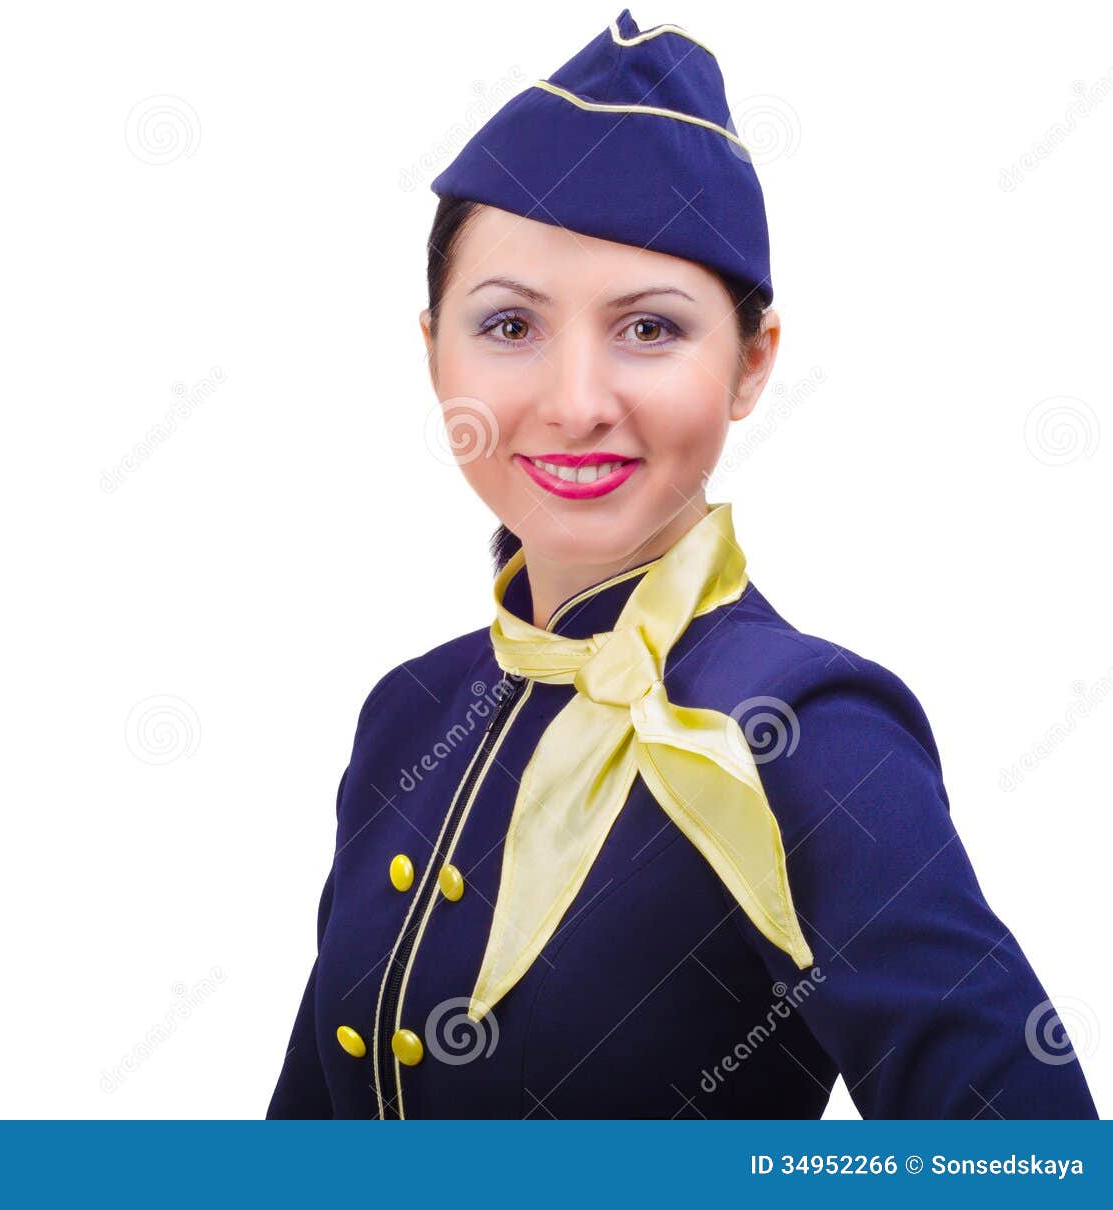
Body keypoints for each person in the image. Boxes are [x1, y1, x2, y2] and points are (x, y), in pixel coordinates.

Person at [265, 9, 1099, 1119]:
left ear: (752, 365)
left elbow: (1030, 1158)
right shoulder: (406, 712)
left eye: (649, 329)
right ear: (433, 351)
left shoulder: (808, 726)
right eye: (508, 327)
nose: (575, 404)